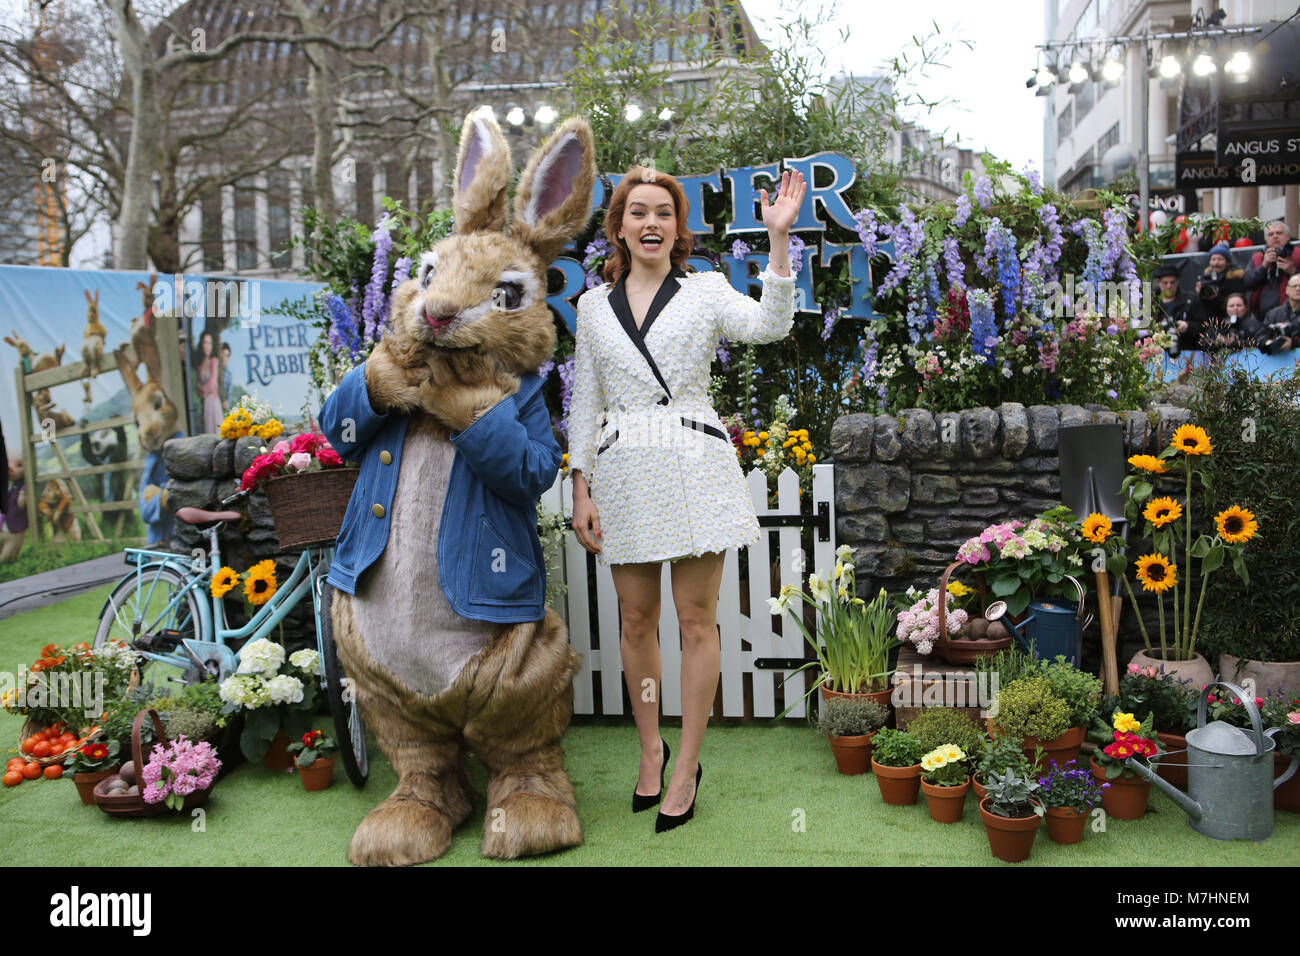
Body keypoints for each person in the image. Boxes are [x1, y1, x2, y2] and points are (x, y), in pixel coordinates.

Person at [568, 165, 805, 832]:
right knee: (636, 622)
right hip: (623, 474)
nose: (651, 223)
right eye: (637, 212)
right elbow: (584, 401)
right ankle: (651, 748)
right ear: (617, 227)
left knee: (696, 621)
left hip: (696, 464)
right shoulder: (591, 306)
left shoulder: (705, 290)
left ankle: (686, 766)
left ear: (678, 228)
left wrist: (778, 241)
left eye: (663, 213)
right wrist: (580, 483)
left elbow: (768, 327)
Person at [1243, 220, 1300, 319]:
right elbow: (1247, 283)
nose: (1275, 236)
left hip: (1293, 313)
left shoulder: (1298, 255)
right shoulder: (1257, 258)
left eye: (1279, 233)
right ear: (1266, 239)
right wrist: (1264, 265)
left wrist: (1293, 271)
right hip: (1261, 315)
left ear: (1288, 237)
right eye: (1271, 234)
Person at [1192, 242, 1245, 325]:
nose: (1216, 263)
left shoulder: (1235, 279)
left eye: (1220, 259)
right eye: (1213, 259)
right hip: (1208, 321)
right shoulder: (1205, 279)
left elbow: (1235, 303)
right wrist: (1199, 294)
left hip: (1229, 321)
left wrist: (1217, 297)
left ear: (1227, 262)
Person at [1152, 263, 1199, 354]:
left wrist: (1188, 326)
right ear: (1158, 283)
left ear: (1177, 282)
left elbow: (1202, 325)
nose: (1169, 286)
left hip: (1186, 352)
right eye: (1165, 283)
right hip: (1158, 354)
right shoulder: (1151, 303)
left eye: (1172, 282)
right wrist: (1154, 328)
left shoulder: (1191, 300)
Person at [1257, 273, 1300, 355]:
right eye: (1294, 286)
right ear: (1287, 290)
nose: (1298, 289)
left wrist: (1294, 343)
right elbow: (1260, 335)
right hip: (1276, 363)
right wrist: (1267, 342)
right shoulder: (1274, 313)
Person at [194, 330, 223, 434]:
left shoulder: (214, 361)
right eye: (205, 342)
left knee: (216, 429)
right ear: (201, 344)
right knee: (207, 430)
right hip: (204, 401)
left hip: (213, 401)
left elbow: (213, 383)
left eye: (209, 343)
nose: (207, 346)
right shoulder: (200, 364)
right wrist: (202, 390)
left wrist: (202, 388)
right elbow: (196, 384)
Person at [1, 453, 27, 564]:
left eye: (19, 465)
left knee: (5, 559)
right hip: (2, 526)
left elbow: (21, 504)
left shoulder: (24, 485)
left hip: (15, 529)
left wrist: (23, 492)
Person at [219, 341, 233, 412]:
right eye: (223, 355)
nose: (224, 358)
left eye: (227, 356)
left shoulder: (229, 374)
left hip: (223, 409)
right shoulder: (215, 369)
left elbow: (229, 393)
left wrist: (227, 406)